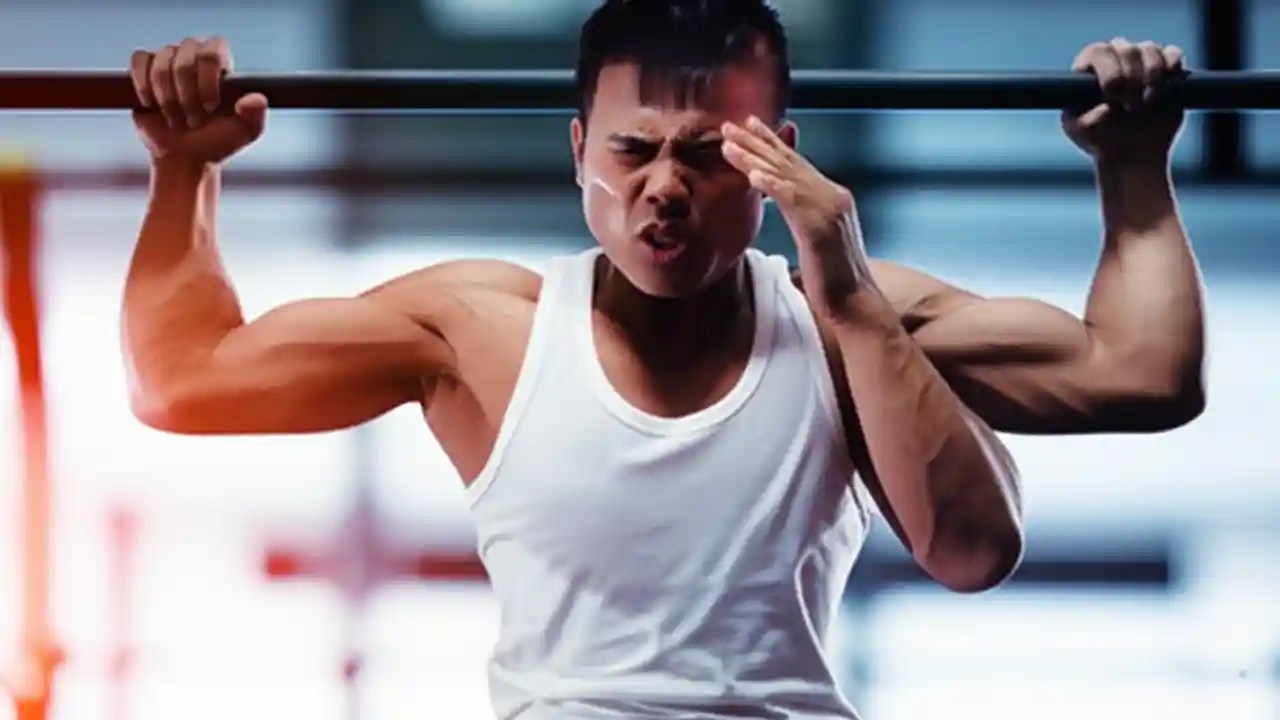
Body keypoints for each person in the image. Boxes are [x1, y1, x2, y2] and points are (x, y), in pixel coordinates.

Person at [119, 1, 1205, 718]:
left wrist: (1130, 164)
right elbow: (185, 378)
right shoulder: (481, 329)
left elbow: (1122, 392)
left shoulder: (850, 318)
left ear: (777, 158)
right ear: (576, 152)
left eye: (709, 154)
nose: (665, 189)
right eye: (632, 151)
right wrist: (183, 171)